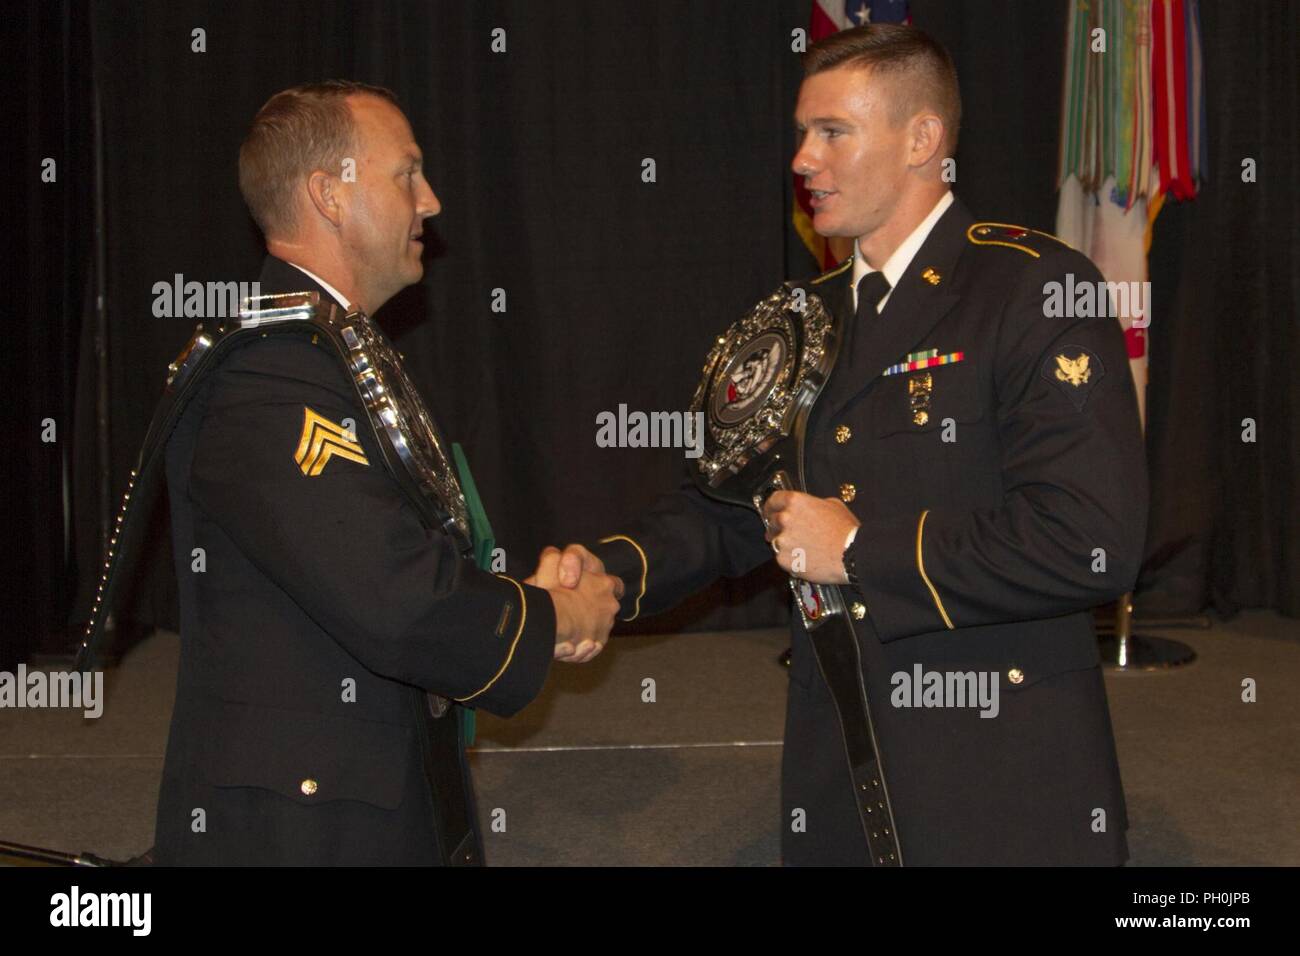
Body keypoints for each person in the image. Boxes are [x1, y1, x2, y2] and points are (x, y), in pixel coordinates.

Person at [548, 24, 1148, 865]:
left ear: (922, 140)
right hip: (838, 766)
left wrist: (862, 550)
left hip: (1000, 771)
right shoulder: (804, 318)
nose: (802, 158)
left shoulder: (1032, 289)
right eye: (802, 132)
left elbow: (1090, 543)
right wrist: (609, 574)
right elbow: (724, 511)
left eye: (832, 131)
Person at [154, 80, 620, 865]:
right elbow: (396, 600)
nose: (431, 201)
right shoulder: (270, 375)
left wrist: (524, 599)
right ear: (327, 195)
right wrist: (553, 619)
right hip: (304, 829)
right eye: (405, 172)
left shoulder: (334, 352)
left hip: (363, 782)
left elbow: (409, 554)